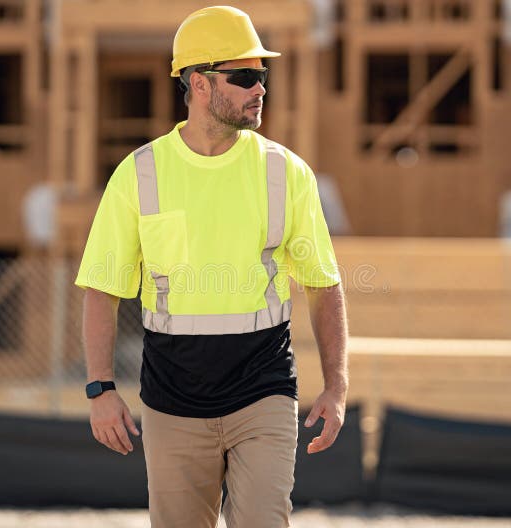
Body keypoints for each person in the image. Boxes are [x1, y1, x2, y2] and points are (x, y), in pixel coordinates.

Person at [74, 5, 348, 527]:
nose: (259, 89)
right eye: (244, 77)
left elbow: (323, 285)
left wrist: (336, 387)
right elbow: (101, 291)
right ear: (199, 83)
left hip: (263, 391)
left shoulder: (285, 173)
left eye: (262, 76)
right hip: (171, 400)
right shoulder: (139, 174)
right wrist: (100, 388)